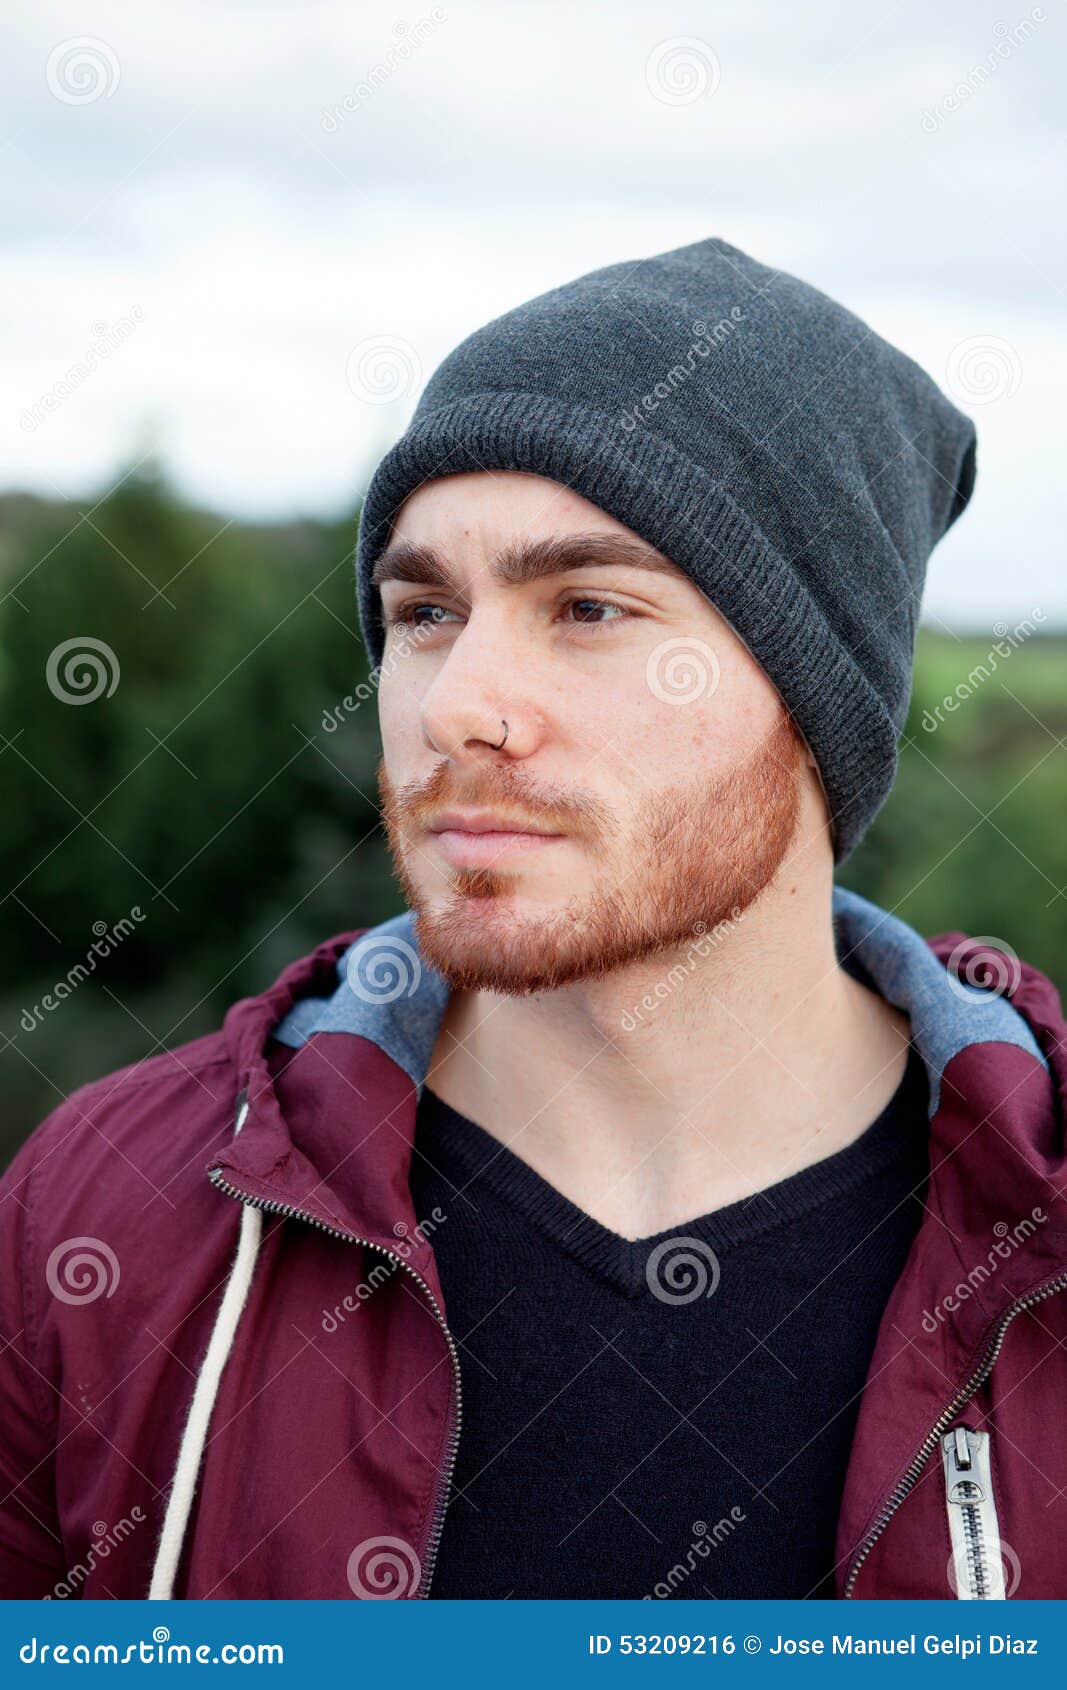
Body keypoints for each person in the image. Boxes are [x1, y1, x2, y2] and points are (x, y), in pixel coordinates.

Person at [1, 237, 1064, 1602]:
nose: (451, 701)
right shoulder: (117, 1210)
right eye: (426, 607)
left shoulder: (1038, 1229)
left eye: (589, 606)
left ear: (818, 700)